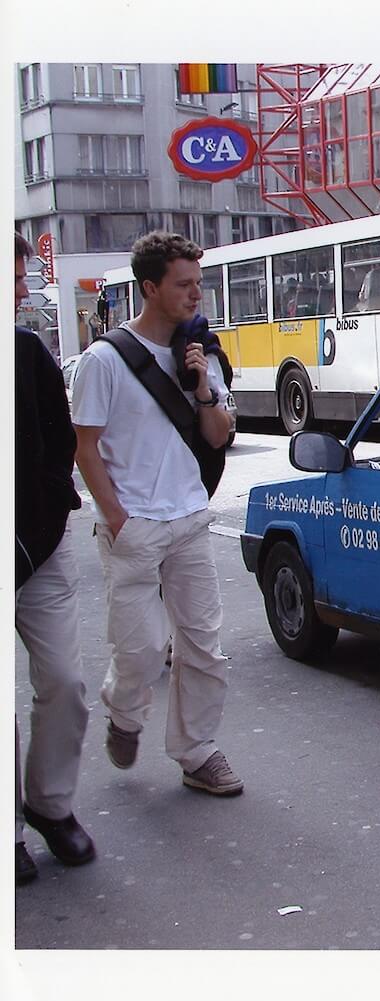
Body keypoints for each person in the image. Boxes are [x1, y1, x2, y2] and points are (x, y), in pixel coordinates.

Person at [71, 231, 243, 796]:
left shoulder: (201, 353)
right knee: (141, 652)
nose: (197, 294)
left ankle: (197, 751)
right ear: (150, 287)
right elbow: (85, 444)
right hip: (135, 527)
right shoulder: (103, 360)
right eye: (184, 284)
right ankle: (123, 712)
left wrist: (202, 388)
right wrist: (116, 516)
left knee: (203, 647)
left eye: (199, 283)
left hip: (191, 518)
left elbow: (217, 437)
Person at [13, 232, 95, 885]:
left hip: (36, 548)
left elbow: (59, 447)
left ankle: (48, 802)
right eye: (12, 278)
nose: (21, 290)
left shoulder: (27, 354)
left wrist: (29, 538)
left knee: (65, 680)